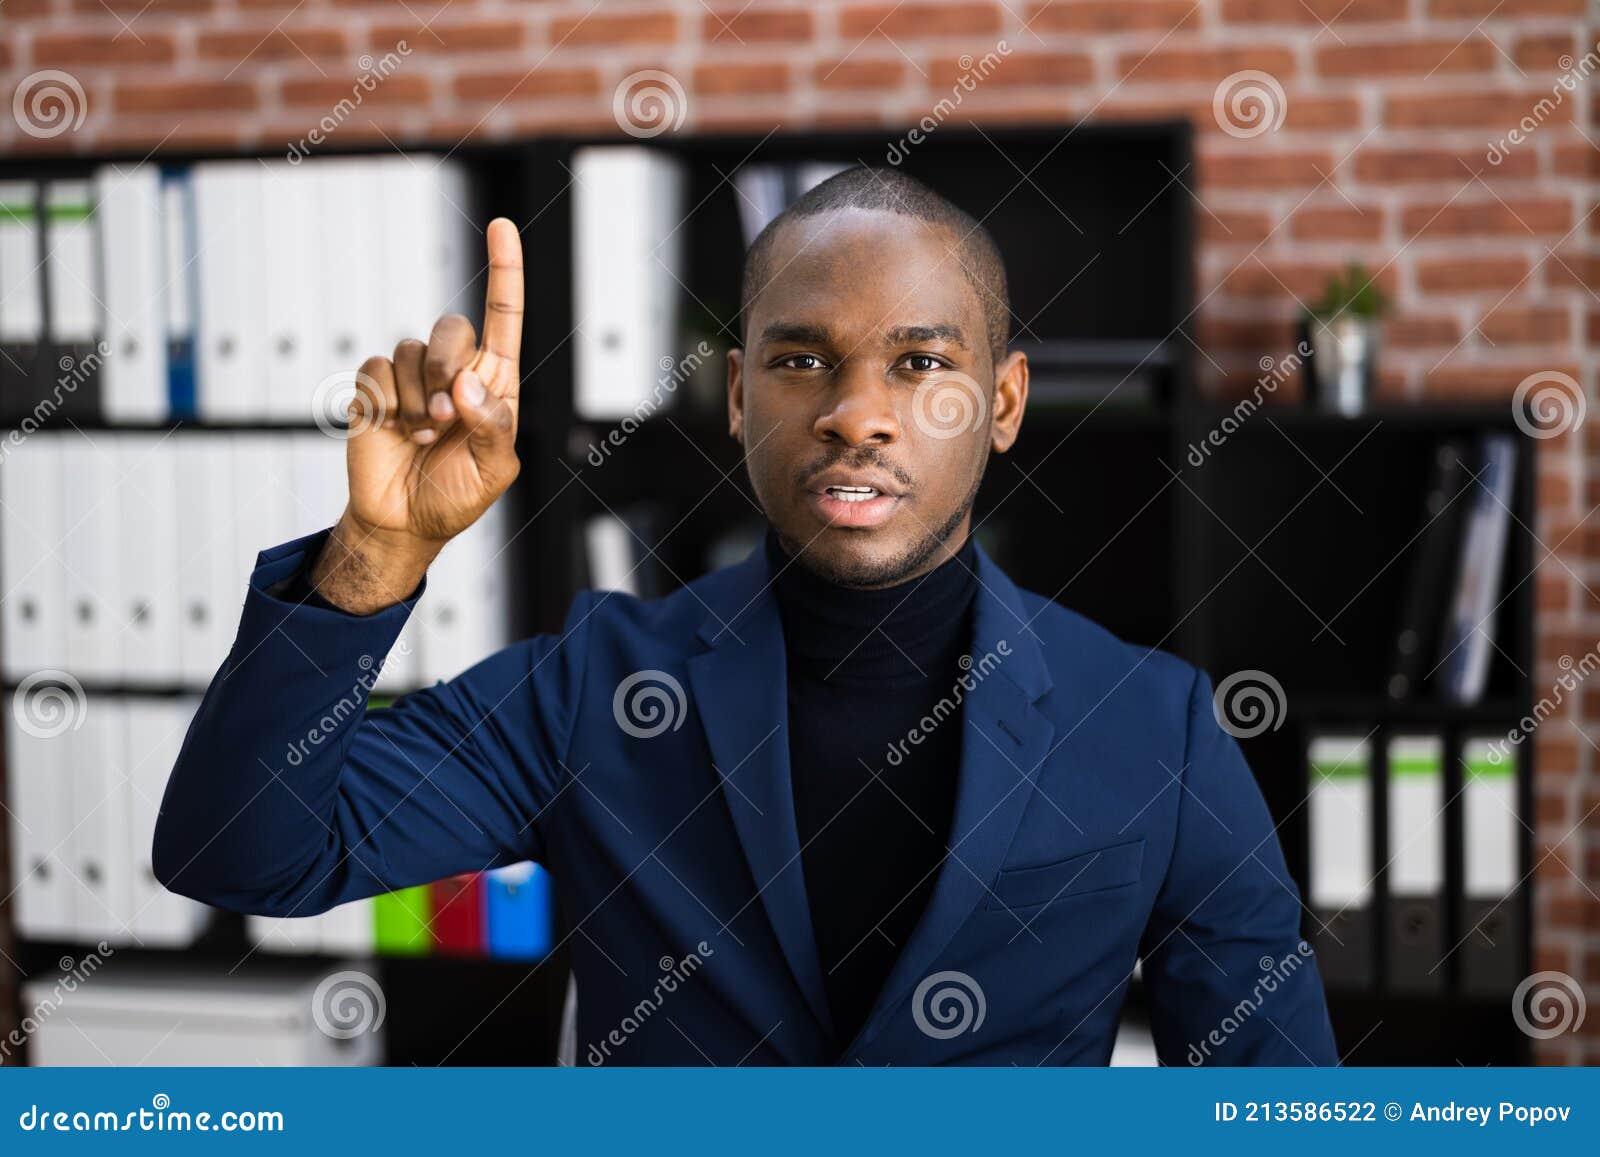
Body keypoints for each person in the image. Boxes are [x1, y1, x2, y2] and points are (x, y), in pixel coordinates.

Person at [154, 166, 1337, 1066]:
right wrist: (376, 552)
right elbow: (241, 851)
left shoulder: (1153, 724)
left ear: (1005, 401)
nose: (856, 414)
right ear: (736, 396)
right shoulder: (592, 688)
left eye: (920, 364)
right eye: (802, 361)